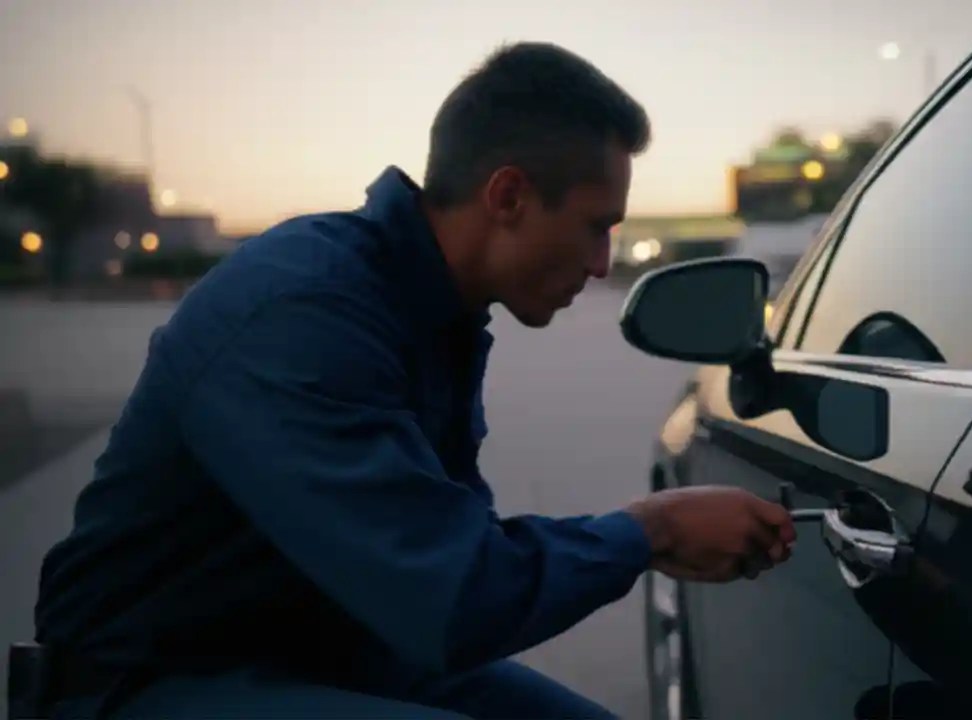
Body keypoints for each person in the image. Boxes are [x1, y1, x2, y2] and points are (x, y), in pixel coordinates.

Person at [30, 42, 796, 719]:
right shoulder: (307, 309)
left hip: (327, 651)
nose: (603, 264)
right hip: (146, 682)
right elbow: (452, 599)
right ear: (508, 197)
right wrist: (648, 529)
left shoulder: (434, 311)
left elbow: (448, 559)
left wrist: (635, 540)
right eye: (598, 225)